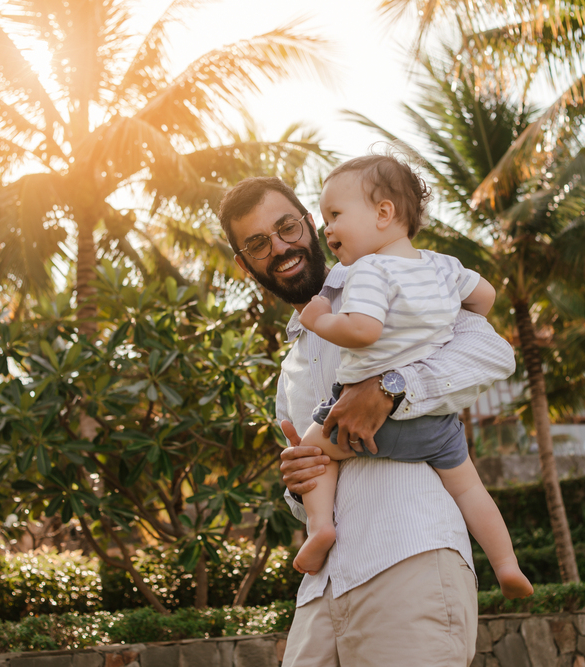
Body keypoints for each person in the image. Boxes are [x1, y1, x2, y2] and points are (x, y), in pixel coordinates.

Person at [218, 174, 516, 667]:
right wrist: (296, 485)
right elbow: (313, 483)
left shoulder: (394, 279)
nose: (280, 247)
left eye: (287, 227)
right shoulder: (289, 371)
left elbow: (492, 351)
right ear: (244, 263)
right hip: (322, 590)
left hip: (410, 556)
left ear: (310, 224)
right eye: (257, 243)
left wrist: (390, 389)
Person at [291, 155, 533, 601]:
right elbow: (486, 297)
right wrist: (442, 324)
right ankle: (506, 565)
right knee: (470, 489)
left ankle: (321, 528)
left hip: (367, 420)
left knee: (311, 450)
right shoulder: (444, 267)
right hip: (436, 425)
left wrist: (319, 319)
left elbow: (363, 330)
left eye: (335, 215)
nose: (328, 229)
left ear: (383, 213)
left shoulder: (368, 269)